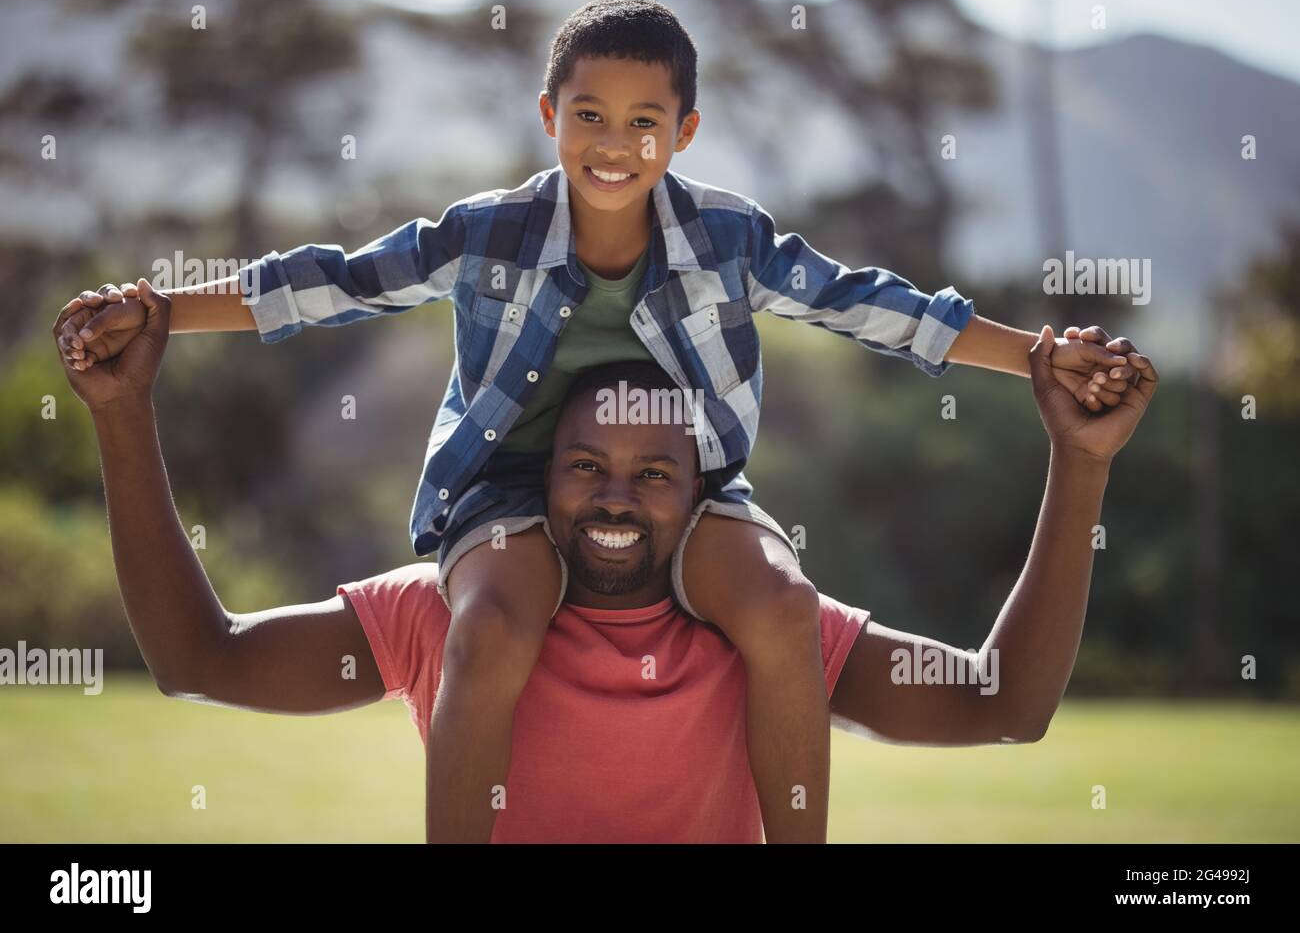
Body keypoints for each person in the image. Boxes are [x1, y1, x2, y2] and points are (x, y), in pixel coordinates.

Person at [51, 0, 1150, 842]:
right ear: (547, 117)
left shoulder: (725, 240)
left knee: (776, 598)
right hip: (497, 495)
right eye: (587, 115)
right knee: (490, 624)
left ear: (684, 130)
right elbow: (335, 280)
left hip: (711, 490)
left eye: (643, 121)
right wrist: (161, 315)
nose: (613, 143)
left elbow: (875, 306)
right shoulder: (489, 233)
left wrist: (1039, 360)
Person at [54, 283, 1157, 842]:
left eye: (655, 471)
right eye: (585, 463)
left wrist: (1081, 462)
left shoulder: (767, 629)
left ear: (706, 494)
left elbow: (1005, 703)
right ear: (539, 478)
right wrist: (123, 409)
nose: (617, 494)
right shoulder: (450, 614)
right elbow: (202, 657)